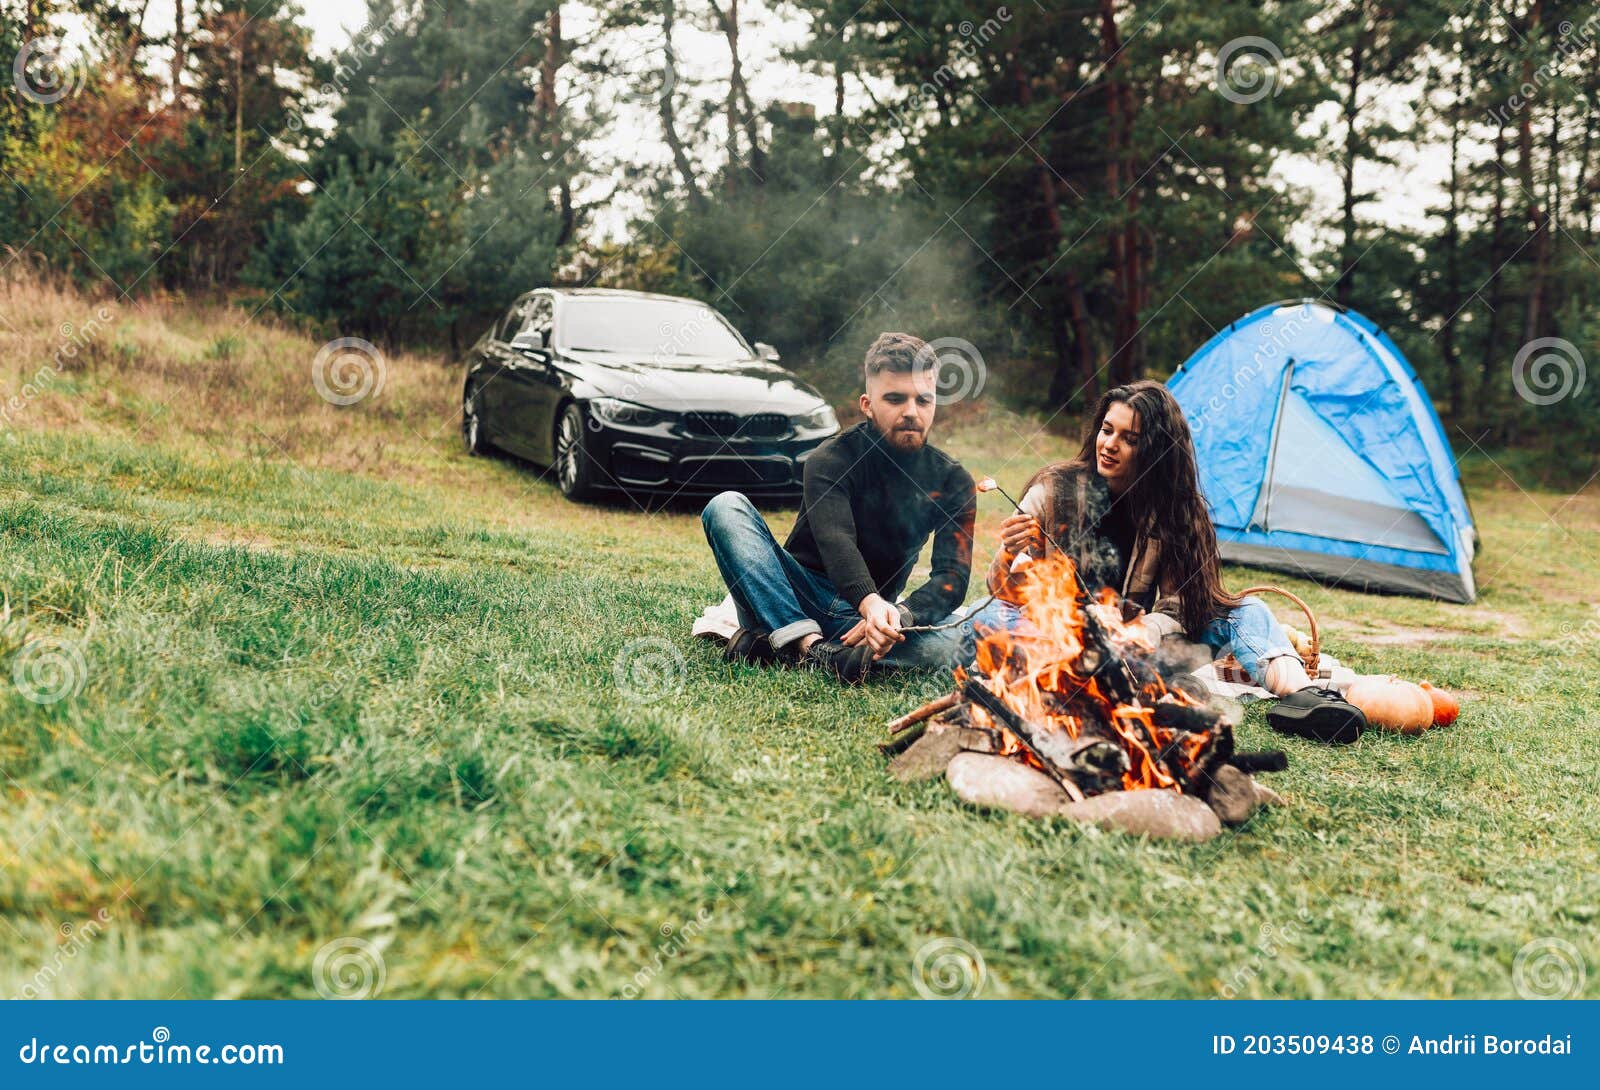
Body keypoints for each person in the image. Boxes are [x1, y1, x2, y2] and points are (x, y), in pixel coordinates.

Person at [947, 380, 1368, 744]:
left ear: (1155, 451)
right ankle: (1088, 680)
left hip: (1135, 644)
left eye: (1129, 439)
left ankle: (1301, 696)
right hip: (1060, 636)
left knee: (1245, 612)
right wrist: (1007, 554)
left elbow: (1184, 606)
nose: (1109, 445)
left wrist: (1135, 630)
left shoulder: (1175, 513)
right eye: (1106, 431)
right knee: (996, 618)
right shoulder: (1055, 491)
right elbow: (1005, 591)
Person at [701, 332, 976, 683]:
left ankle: (774, 645)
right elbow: (837, 541)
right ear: (867, 404)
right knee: (725, 507)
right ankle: (810, 646)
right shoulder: (829, 458)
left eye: (923, 400)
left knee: (961, 644)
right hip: (794, 595)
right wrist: (869, 601)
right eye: (894, 399)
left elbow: (952, 577)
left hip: (868, 622)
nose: (911, 412)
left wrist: (898, 617)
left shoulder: (954, 481)